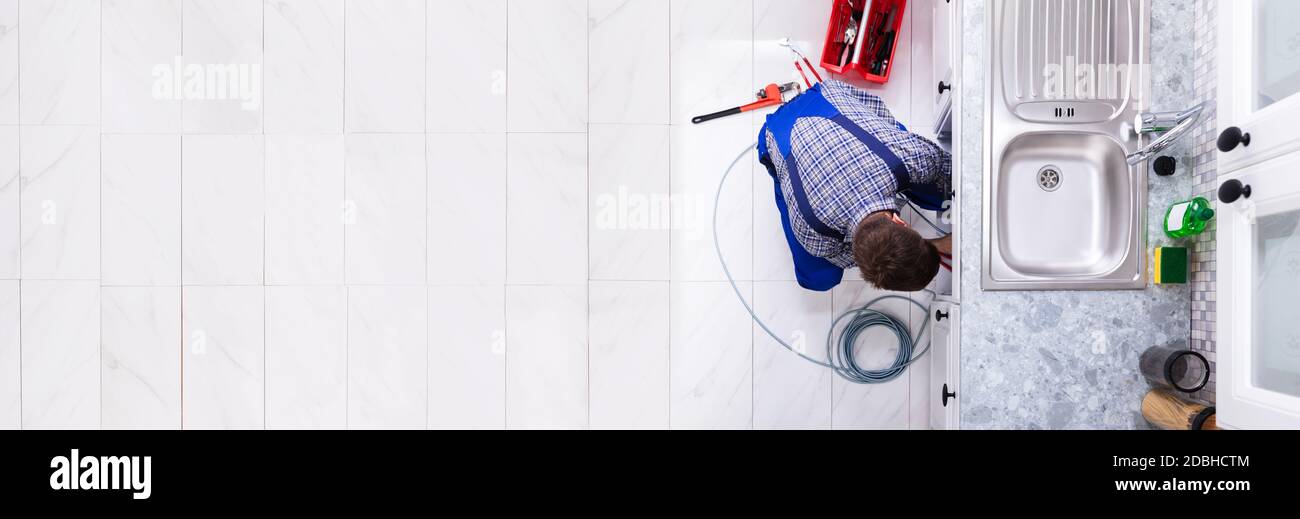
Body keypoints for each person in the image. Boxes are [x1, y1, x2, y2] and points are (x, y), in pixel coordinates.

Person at [758, 79, 952, 292]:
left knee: (940, 190)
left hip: (825, 96)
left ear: (901, 222)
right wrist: (934, 244)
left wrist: (929, 247)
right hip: (774, 133)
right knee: (818, 279)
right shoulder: (814, 237)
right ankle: (780, 176)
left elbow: (946, 166)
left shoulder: (911, 157)